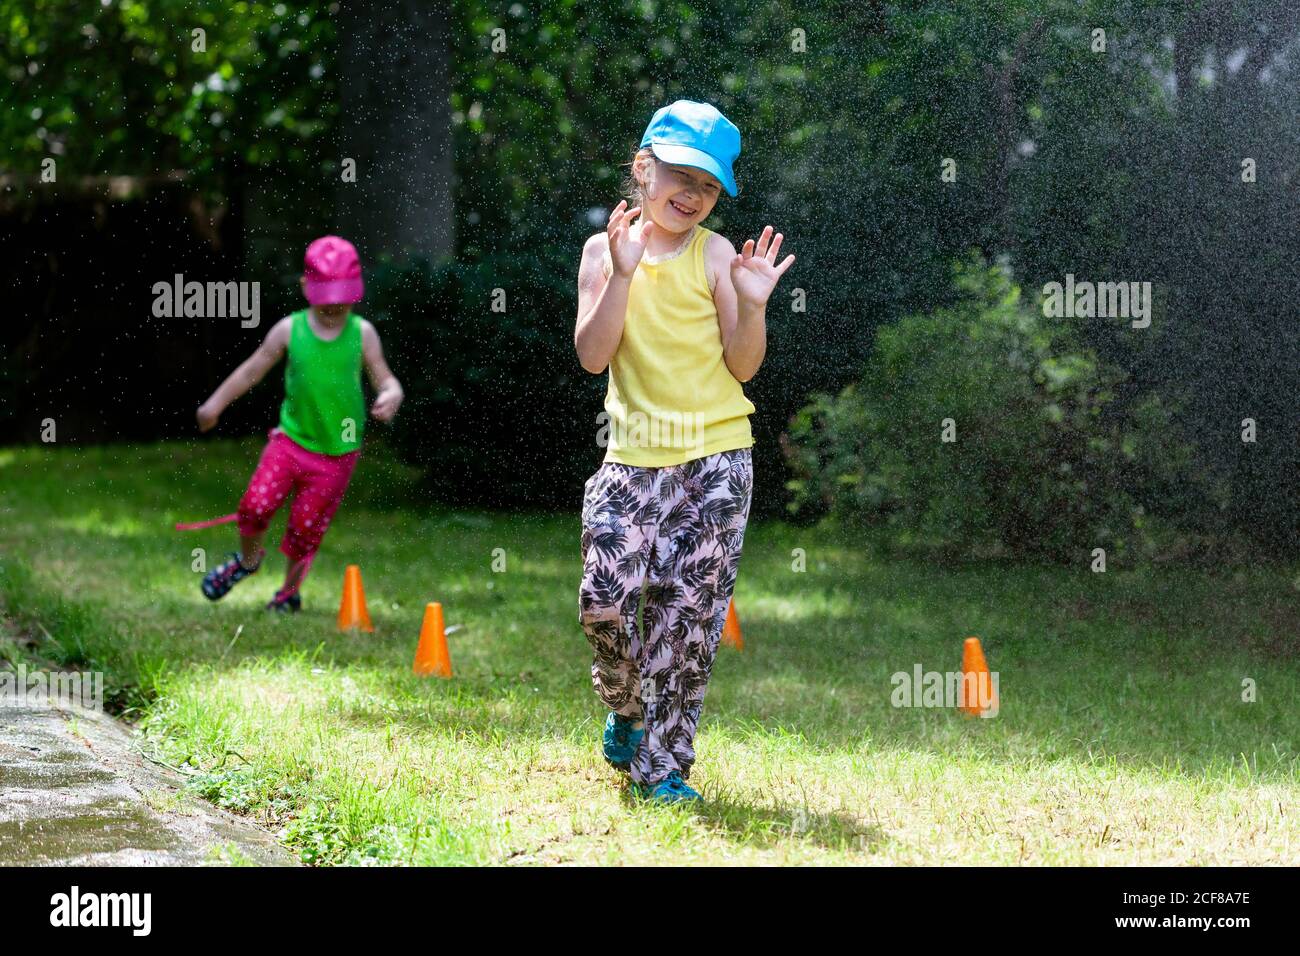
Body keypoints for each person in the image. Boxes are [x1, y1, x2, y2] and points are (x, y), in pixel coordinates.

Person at [574, 101, 795, 804]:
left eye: (708, 185)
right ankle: (626, 705)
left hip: (717, 460)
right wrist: (623, 273)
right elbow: (592, 355)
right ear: (643, 169)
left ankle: (664, 768)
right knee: (603, 602)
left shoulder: (718, 254)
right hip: (631, 458)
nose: (693, 194)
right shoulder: (602, 251)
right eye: (680, 174)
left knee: (688, 623)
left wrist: (753, 305)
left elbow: (743, 366)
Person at [195, 235, 403, 611]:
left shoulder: (363, 334)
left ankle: (288, 595)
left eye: (343, 302)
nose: (335, 309)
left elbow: (384, 379)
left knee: (305, 529)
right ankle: (247, 561)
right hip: (290, 443)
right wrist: (215, 404)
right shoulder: (290, 331)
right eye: (327, 301)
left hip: (337, 456)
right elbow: (250, 373)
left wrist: (392, 393)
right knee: (255, 507)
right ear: (307, 288)